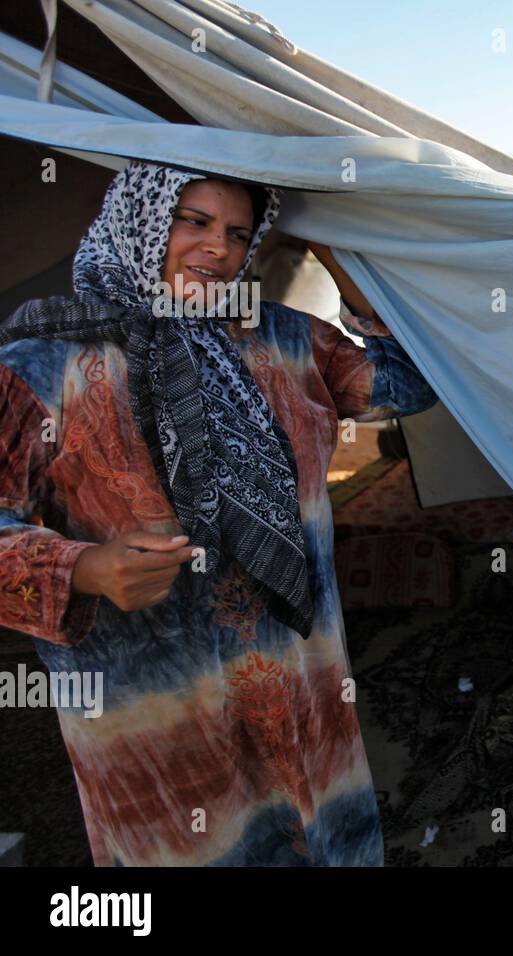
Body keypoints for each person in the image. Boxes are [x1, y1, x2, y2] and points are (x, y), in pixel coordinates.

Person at [0, 160, 437, 865]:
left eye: (239, 233)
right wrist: (84, 569)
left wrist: (330, 244)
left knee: (322, 837)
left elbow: (409, 384)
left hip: (302, 683)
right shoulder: (40, 367)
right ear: (135, 220)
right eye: (193, 222)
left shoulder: (283, 340)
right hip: (163, 723)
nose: (219, 250)